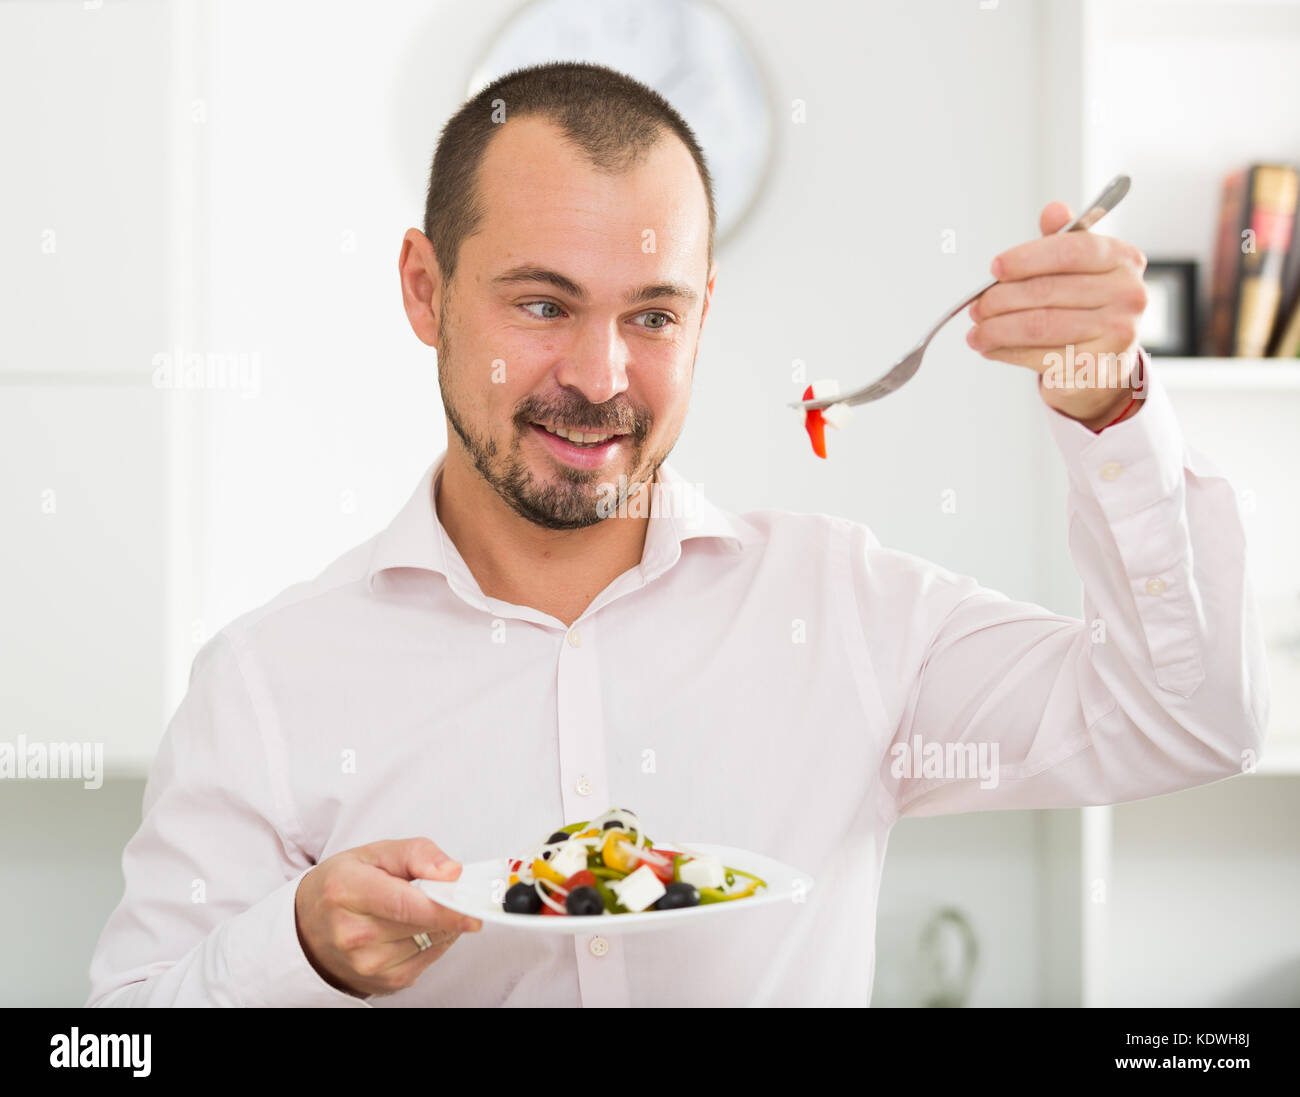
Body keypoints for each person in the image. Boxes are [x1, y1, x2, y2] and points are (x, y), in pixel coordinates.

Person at [87, 61, 1268, 1007]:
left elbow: (1189, 720)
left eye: (652, 314)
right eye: (543, 304)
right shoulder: (266, 683)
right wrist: (300, 952)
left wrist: (1108, 407)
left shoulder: (845, 608)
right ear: (424, 288)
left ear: (706, 315)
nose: (599, 378)